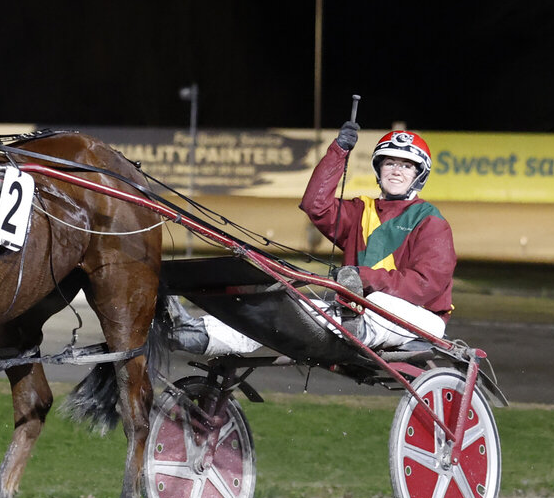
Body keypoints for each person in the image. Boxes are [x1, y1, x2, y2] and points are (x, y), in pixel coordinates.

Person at [166, 120, 455, 355]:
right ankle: (195, 333)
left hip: (418, 318)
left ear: (418, 174)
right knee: (286, 312)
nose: (396, 171)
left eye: (405, 165)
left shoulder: (430, 221)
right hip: (357, 313)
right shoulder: (361, 211)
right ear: (379, 169)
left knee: (379, 301)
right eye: (390, 163)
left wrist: (363, 277)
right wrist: (338, 152)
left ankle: (348, 330)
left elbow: (426, 284)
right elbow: (316, 206)